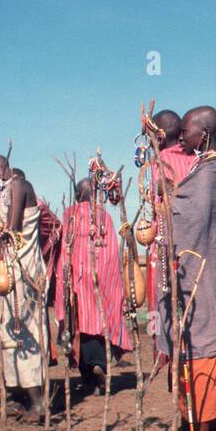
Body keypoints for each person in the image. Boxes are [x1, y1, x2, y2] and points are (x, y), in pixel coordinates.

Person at [153, 106, 216, 431]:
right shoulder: (212, 171)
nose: (182, 138)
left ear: (203, 135)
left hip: (200, 284)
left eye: (187, 132)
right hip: (209, 284)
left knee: (200, 367)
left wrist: (166, 203)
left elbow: (189, 222)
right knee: (212, 367)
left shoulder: (209, 175)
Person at [0, 153, 49, 420]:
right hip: (7, 273)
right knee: (10, 335)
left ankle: (38, 403)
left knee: (25, 333)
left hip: (24, 272)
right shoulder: (6, 192)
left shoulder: (20, 185)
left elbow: (12, 229)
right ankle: (17, 396)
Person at [55, 168, 132, 396]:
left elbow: (64, 250)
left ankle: (89, 373)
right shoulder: (104, 216)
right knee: (99, 321)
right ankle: (99, 366)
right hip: (101, 280)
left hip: (78, 279)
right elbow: (111, 255)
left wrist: (64, 278)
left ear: (77, 195)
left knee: (80, 324)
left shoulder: (70, 214)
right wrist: (111, 282)